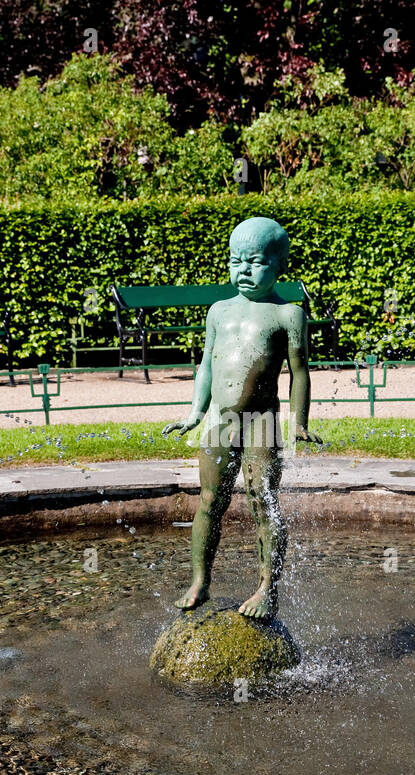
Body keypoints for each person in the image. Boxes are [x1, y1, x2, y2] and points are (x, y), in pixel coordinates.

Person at [162, 217, 321, 618]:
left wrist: (299, 423)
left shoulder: (289, 315)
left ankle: (268, 588)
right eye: (236, 261)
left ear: (280, 264)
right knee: (209, 500)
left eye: (255, 262)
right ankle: (200, 580)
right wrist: (195, 411)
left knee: (262, 503)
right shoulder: (218, 311)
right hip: (219, 420)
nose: (243, 271)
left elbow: (300, 372)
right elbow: (206, 365)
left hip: (261, 423)